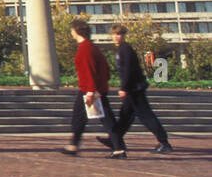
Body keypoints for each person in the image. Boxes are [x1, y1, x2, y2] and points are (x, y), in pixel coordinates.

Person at [62, 19, 125, 158]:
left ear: (76, 31)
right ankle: (74, 144)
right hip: (94, 89)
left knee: (106, 120)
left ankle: (119, 148)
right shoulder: (92, 47)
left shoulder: (85, 48)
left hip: (90, 91)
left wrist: (91, 90)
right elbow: (106, 70)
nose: (71, 32)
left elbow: (89, 70)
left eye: (72, 30)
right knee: (80, 117)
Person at [107, 24, 172, 154]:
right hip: (133, 88)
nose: (116, 37)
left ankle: (164, 142)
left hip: (134, 89)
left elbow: (128, 71)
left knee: (146, 116)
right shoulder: (122, 49)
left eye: (118, 34)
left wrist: (124, 87)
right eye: (114, 34)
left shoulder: (125, 49)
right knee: (125, 116)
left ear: (123, 35)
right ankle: (115, 138)